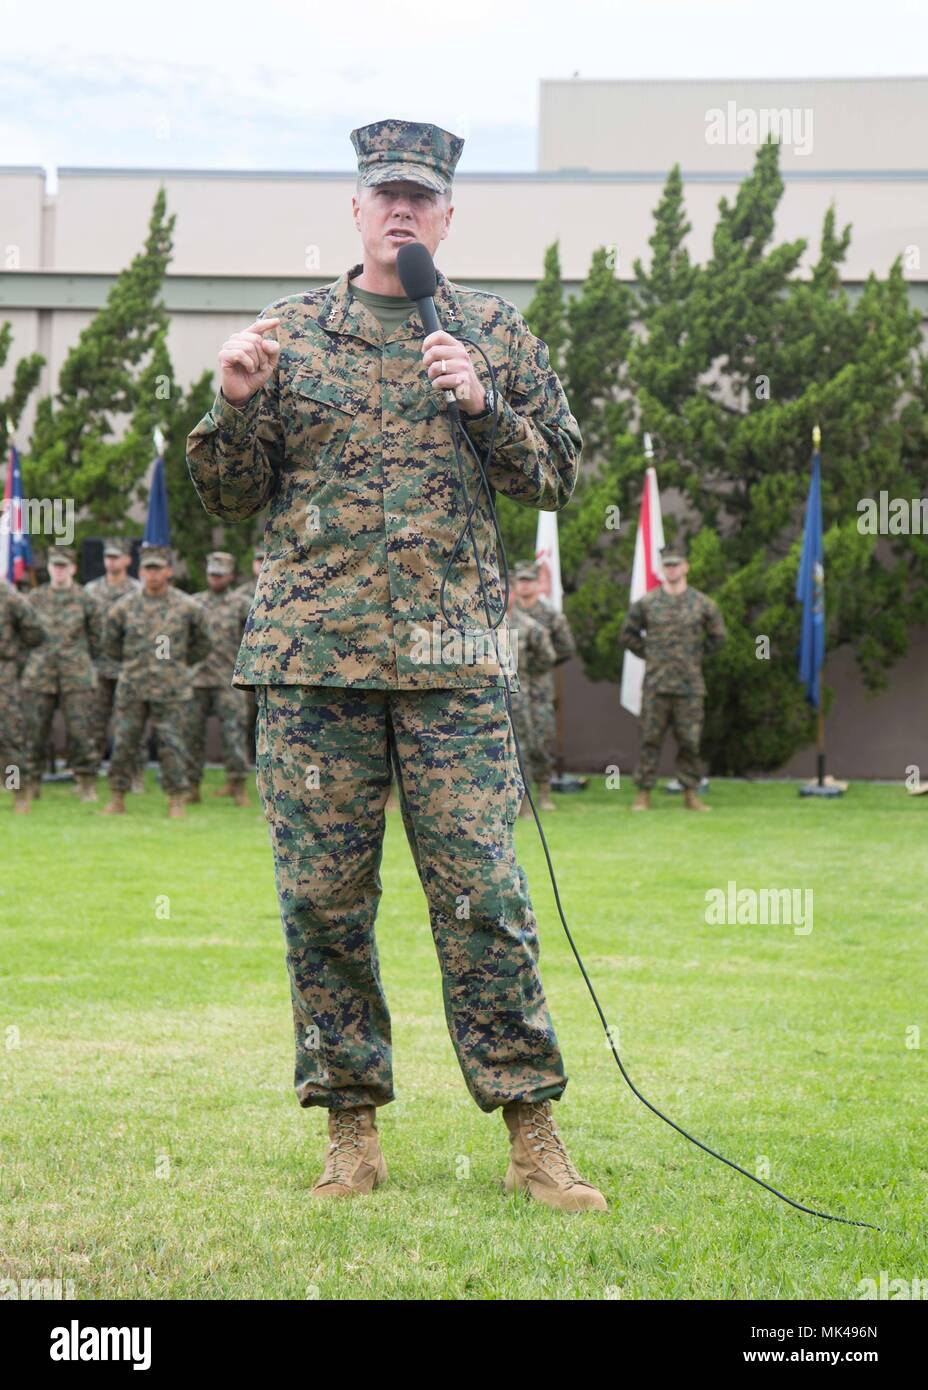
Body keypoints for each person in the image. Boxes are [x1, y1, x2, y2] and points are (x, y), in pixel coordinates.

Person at [186, 119, 606, 1212]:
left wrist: (481, 401)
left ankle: (532, 1132)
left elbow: (559, 471)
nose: (403, 209)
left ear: (449, 215)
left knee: (484, 897)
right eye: (386, 193)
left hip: (453, 670)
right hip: (312, 669)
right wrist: (229, 404)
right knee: (322, 903)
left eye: (421, 195)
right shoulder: (290, 335)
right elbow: (230, 496)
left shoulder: (491, 332)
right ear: (357, 208)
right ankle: (351, 1130)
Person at [101, 544, 211, 819]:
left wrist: (179, 666)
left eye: (157, 569)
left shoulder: (187, 607)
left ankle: (176, 799)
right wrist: (132, 664)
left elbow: (203, 644)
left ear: (168, 571)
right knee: (124, 742)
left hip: (171, 688)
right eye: (147, 569)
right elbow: (110, 644)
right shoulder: (124, 607)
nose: (152, 575)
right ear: (140, 571)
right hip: (133, 686)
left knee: (173, 744)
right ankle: (117, 797)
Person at [619, 542, 726, 811]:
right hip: (656, 685)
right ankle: (643, 794)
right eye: (667, 565)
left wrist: (694, 656)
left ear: (686, 567)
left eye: (676, 564)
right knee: (649, 740)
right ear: (662, 569)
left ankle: (690, 793)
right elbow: (627, 635)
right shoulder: (647, 603)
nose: (672, 569)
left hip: (690, 686)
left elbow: (718, 638)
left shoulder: (703, 603)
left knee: (690, 741)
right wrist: (652, 654)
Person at [21, 547, 101, 802]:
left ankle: (86, 782)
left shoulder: (86, 600)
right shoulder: (35, 598)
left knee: (82, 733)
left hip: (75, 675)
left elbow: (98, 637)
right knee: (34, 733)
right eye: (55, 566)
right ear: (49, 568)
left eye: (63, 566)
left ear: (73, 569)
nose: (59, 570)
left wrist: (83, 660)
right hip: (40, 674)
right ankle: (31, 782)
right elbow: (24, 634)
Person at [185, 551, 253, 805]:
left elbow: (252, 640)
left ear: (230, 576)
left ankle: (237, 786)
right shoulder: (194, 603)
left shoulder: (241, 604)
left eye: (220, 575)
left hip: (228, 680)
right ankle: (191, 786)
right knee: (191, 735)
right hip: (197, 680)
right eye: (212, 574)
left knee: (234, 735)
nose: (215, 579)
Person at [512, 561, 576, 810]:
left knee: (541, 738)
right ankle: (519, 795)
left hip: (539, 687)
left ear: (539, 584)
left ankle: (544, 791)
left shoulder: (550, 615)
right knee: (519, 741)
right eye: (521, 580)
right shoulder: (505, 614)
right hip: (515, 687)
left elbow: (565, 648)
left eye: (530, 580)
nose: (525, 585)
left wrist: (539, 667)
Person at [85, 539, 144, 791]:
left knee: (130, 724)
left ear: (127, 560)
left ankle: (135, 775)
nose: (112, 561)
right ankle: (88, 778)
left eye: (117, 557)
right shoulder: (90, 590)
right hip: (98, 667)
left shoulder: (138, 590)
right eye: (108, 557)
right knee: (94, 724)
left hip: (128, 668)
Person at [505, 588, 557, 817]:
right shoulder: (481, 625)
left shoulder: (528, 626)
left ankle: (525, 802)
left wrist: (524, 678)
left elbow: (547, 657)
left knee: (521, 749)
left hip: (517, 698)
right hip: (485, 697)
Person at [0, 577, 45, 814]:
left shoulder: (8, 595)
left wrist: (14, 655)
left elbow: (34, 631)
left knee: (9, 735)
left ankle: (18, 792)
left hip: (3, 675)